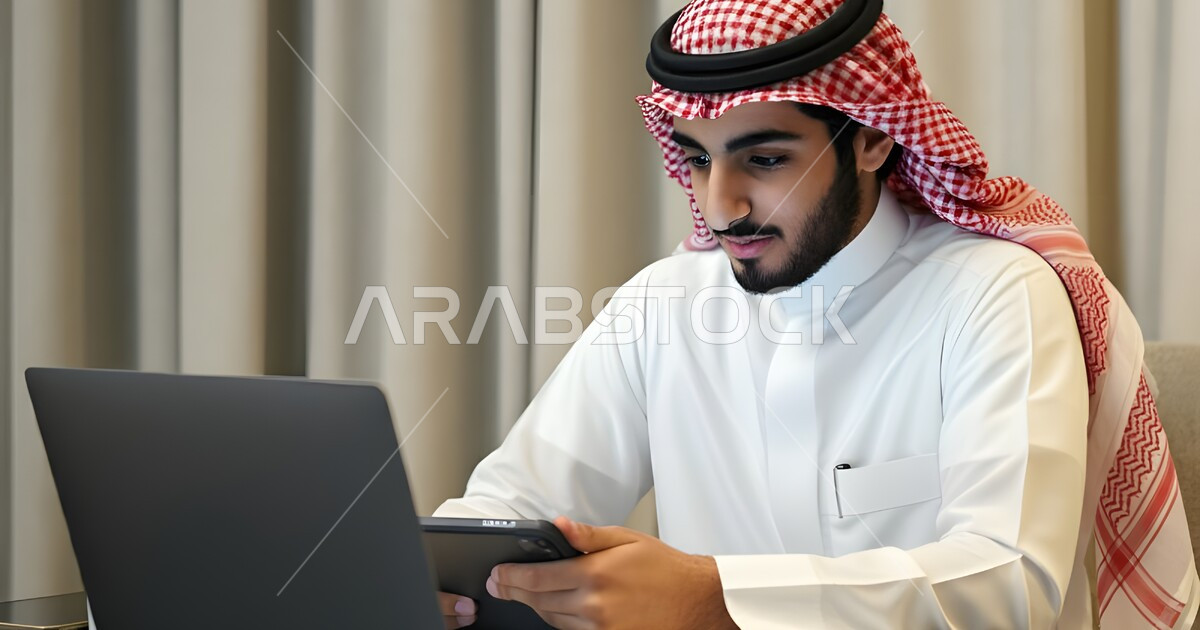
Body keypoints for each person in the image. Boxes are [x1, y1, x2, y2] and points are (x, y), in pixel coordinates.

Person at [433, 0, 1198, 627]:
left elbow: (1007, 582)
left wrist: (717, 601)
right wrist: (432, 581)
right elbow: (512, 507)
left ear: (869, 139)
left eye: (764, 161)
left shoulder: (995, 294)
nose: (720, 205)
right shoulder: (663, 305)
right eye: (698, 158)